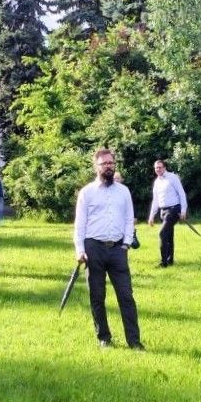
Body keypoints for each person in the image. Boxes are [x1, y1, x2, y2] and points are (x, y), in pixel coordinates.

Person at [73, 148, 143, 350]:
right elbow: (80, 224)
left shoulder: (124, 191)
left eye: (111, 163)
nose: (109, 167)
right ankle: (104, 337)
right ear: (96, 166)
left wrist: (126, 243)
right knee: (97, 296)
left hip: (117, 250)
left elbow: (130, 218)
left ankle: (134, 341)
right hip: (93, 248)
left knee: (126, 296)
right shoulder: (87, 192)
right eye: (104, 164)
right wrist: (79, 250)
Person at [148, 159, 188, 267]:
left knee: (162, 233)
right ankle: (170, 260)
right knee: (169, 236)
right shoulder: (156, 182)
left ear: (165, 168)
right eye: (156, 168)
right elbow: (155, 200)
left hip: (174, 209)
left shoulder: (172, 178)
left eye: (160, 167)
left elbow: (181, 194)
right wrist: (151, 216)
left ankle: (163, 262)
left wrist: (183, 210)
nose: (158, 169)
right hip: (163, 211)